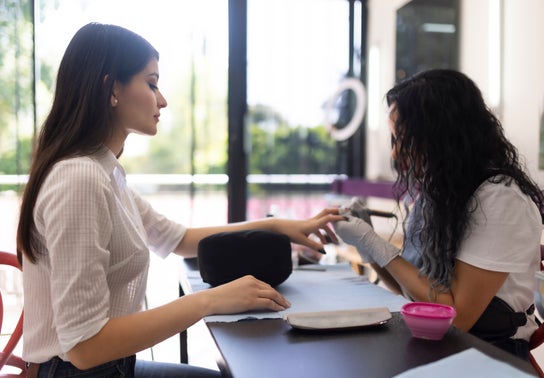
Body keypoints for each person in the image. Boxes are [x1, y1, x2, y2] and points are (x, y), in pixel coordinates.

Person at [16, 22, 343, 378]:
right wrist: (209, 301)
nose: (162, 99)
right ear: (111, 88)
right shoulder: (79, 179)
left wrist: (278, 226)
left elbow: (181, 240)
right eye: (152, 83)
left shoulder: (105, 174)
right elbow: (83, 346)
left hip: (109, 367)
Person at [333, 68, 544, 360]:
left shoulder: (500, 199)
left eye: (402, 140)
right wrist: (368, 246)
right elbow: (411, 290)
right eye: (393, 141)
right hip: (442, 346)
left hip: (491, 355)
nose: (396, 154)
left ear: (441, 134)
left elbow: (457, 317)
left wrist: (374, 244)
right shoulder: (439, 193)